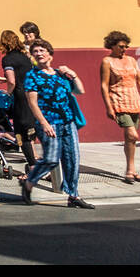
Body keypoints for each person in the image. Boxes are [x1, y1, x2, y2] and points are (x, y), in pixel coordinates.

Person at [21, 38, 93, 209]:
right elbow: (32, 103)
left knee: (72, 158)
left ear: (50, 55)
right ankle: (29, 183)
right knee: (52, 159)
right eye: (35, 51)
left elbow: (80, 90)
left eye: (42, 51)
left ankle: (73, 195)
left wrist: (72, 73)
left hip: (68, 121)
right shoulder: (32, 75)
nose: (38, 54)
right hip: (49, 122)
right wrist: (44, 123)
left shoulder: (60, 74)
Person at [99, 31, 140, 183]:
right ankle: (130, 170)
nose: (124, 49)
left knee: (130, 140)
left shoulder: (132, 60)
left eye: (126, 46)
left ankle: (130, 171)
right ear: (112, 46)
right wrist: (108, 107)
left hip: (134, 100)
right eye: (121, 46)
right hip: (118, 100)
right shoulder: (107, 61)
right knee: (133, 135)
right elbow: (104, 86)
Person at [0, 29, 38, 170]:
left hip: (20, 98)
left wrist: (7, 93)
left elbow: (12, 81)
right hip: (32, 94)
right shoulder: (25, 57)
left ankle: (32, 166)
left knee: (21, 133)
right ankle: (36, 161)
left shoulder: (7, 59)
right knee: (31, 129)